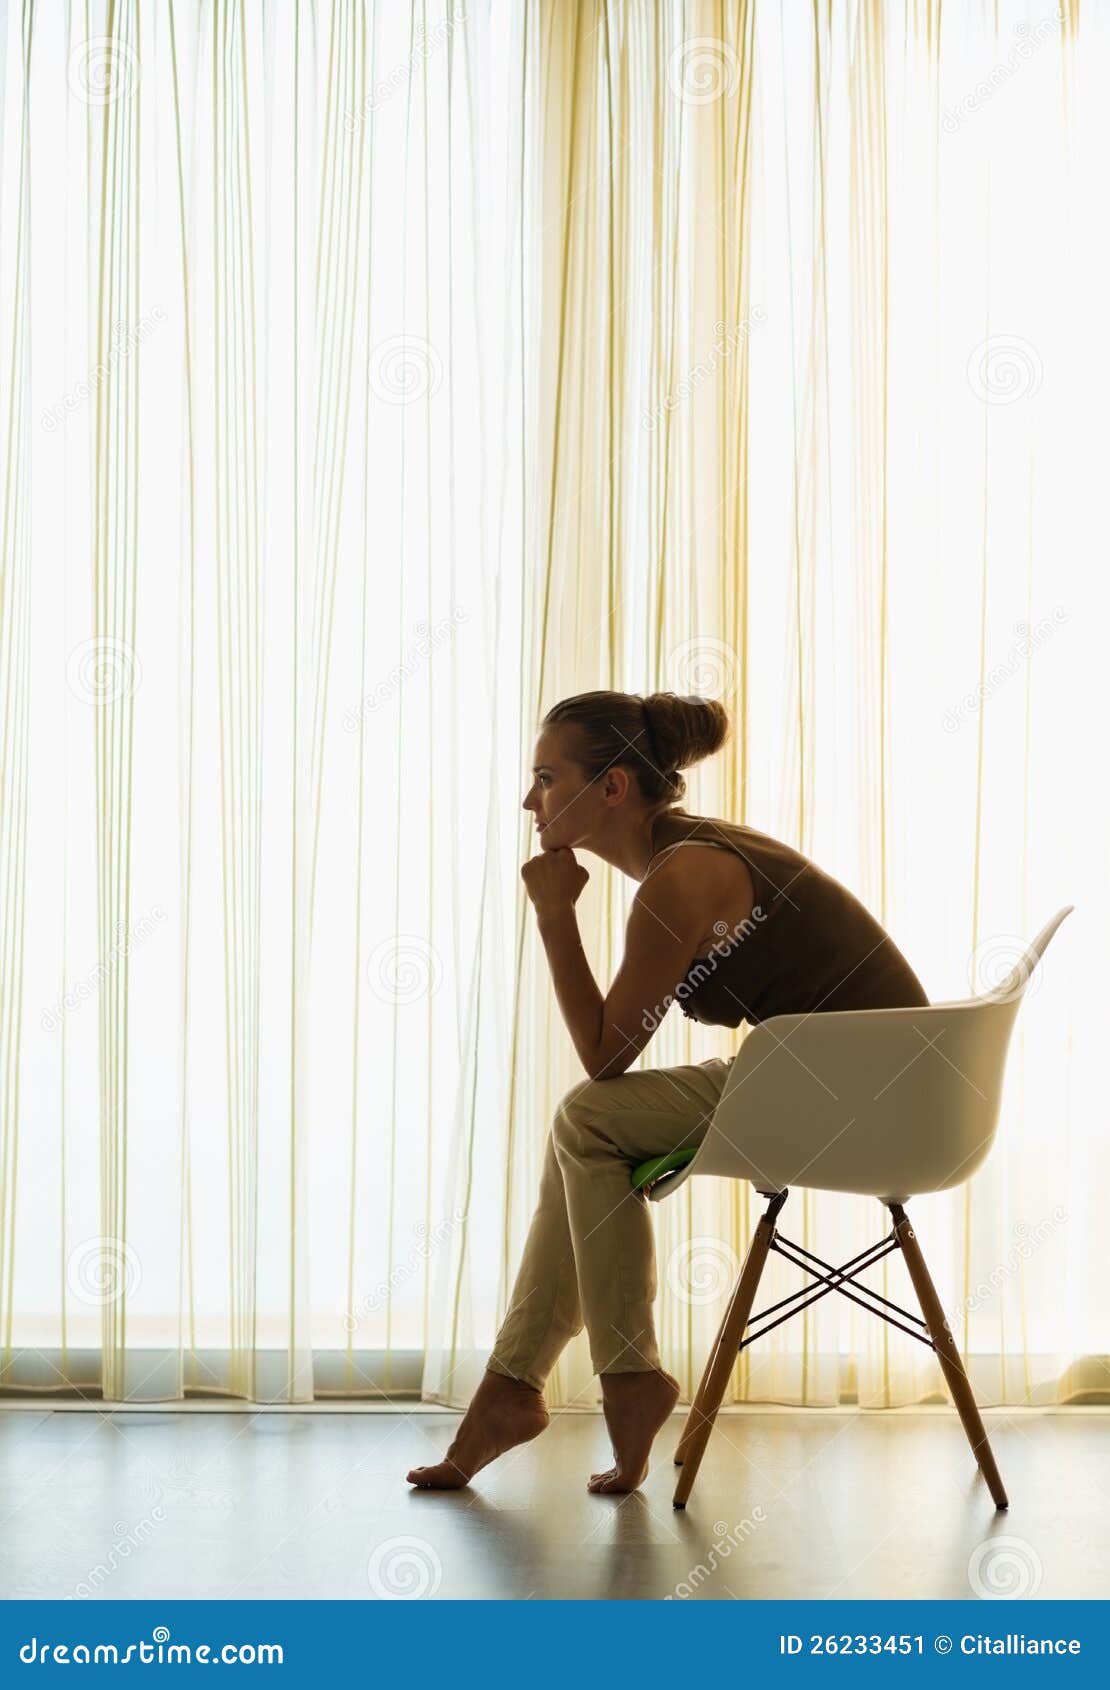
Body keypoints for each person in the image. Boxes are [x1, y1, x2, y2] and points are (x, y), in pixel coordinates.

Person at [406, 689, 928, 1494]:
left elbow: (605, 1056)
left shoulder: (681, 879)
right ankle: (524, 1391)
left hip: (870, 1093)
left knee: (589, 1120)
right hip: (832, 1074)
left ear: (612, 787)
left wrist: (554, 918)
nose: (528, 799)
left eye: (547, 777)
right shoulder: (683, 857)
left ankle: (596, 1381)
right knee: (587, 1132)